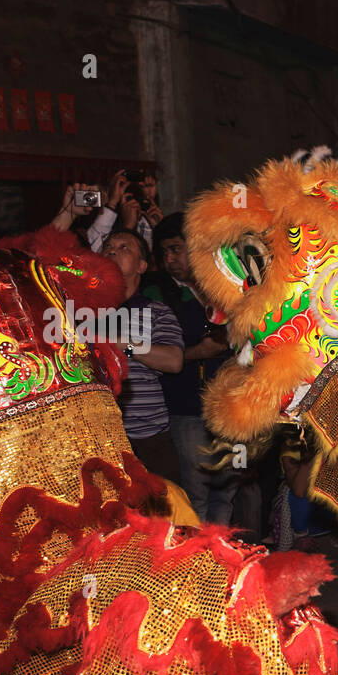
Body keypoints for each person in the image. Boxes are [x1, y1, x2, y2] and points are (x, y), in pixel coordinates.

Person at [143, 212, 236, 523]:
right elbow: (162, 353)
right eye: (164, 252)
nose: (169, 258)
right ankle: (200, 561)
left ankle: (225, 556)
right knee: (196, 491)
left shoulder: (224, 285)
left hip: (228, 403)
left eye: (176, 249)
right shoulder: (156, 294)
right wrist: (200, 351)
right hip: (186, 406)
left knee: (226, 489)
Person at [101, 229, 185, 481]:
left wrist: (123, 344)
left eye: (124, 247)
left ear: (142, 266)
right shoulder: (85, 311)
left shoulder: (156, 311)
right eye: (108, 248)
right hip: (100, 438)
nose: (113, 251)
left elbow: (174, 360)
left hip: (148, 439)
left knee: (162, 516)